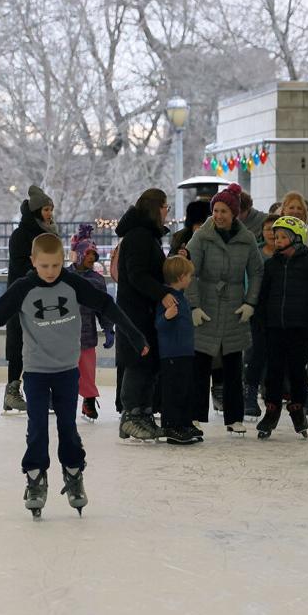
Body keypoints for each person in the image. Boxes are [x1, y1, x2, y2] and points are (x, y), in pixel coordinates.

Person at [0, 232, 146, 517]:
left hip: (67, 371)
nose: (50, 271)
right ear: (33, 261)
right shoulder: (23, 288)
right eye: (44, 266)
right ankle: (35, 478)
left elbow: (106, 304)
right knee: (37, 429)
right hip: (36, 372)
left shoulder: (72, 283)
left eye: (56, 265)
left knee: (68, 428)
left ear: (63, 260)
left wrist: (135, 336)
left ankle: (73, 473)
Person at [188, 183, 262, 435]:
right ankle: (195, 415)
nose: (218, 216)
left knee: (233, 365)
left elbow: (256, 272)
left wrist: (250, 302)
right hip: (206, 304)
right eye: (216, 210)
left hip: (234, 307)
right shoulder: (201, 236)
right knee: (200, 364)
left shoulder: (247, 238)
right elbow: (189, 271)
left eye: (224, 211)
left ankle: (234, 418)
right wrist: (194, 305)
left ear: (234, 214)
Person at [254, 216, 308, 439]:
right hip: (274, 327)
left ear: (296, 239)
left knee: (297, 370)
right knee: (273, 371)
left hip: (299, 327)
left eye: (283, 237)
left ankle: (298, 409)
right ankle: (271, 410)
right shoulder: (271, 265)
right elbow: (263, 295)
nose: (277, 241)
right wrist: (260, 319)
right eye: (276, 237)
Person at [115, 188, 179, 442]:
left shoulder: (146, 236)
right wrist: (162, 293)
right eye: (165, 207)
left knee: (147, 361)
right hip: (136, 311)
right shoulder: (139, 236)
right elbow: (137, 274)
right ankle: (132, 414)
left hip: (144, 309)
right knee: (138, 361)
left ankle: (143, 413)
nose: (167, 212)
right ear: (155, 208)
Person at [3, 186, 56, 413]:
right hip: (22, 296)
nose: (49, 213)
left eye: (51, 209)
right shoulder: (21, 235)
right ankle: (12, 389)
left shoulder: (50, 234)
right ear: (36, 211)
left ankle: (43, 391)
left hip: (45, 297)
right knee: (18, 343)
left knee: (43, 344)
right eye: (45, 209)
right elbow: (20, 267)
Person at [70, 227, 114, 421]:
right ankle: (58, 397)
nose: (91, 257)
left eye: (94, 255)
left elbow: (103, 307)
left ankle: (88, 400)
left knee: (87, 371)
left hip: (87, 336)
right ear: (79, 254)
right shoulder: (65, 276)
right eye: (88, 253)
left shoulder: (97, 280)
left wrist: (108, 328)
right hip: (65, 336)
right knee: (65, 370)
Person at [156, 255, 200, 445]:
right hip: (172, 354)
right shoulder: (168, 298)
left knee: (186, 389)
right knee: (174, 391)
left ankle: (184, 422)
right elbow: (159, 325)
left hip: (185, 352)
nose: (191, 279)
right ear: (181, 277)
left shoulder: (182, 297)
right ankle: (171, 425)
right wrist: (167, 317)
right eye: (189, 276)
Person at [242, 213, 280, 418]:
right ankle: (250, 394)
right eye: (268, 230)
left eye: (276, 230)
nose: (272, 234)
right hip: (257, 310)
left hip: (281, 310)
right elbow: (247, 279)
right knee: (256, 353)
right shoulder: (254, 253)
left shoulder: (289, 254)